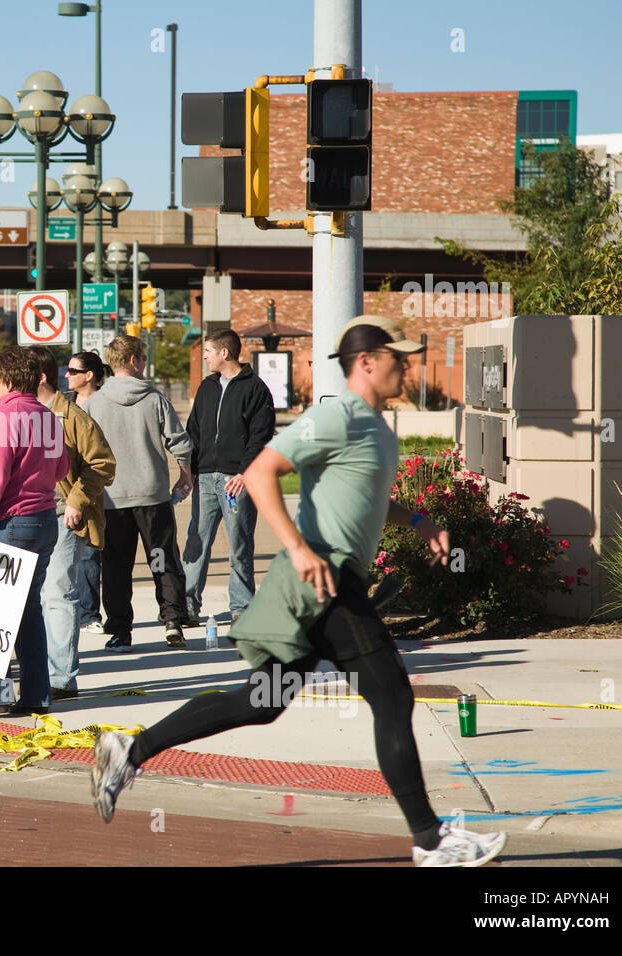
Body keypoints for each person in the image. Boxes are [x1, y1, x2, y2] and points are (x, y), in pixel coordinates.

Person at [90, 316, 507, 867]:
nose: (405, 365)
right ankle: (430, 841)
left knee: (260, 703)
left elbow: (364, 497)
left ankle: (129, 750)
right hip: (326, 580)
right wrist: (299, 547)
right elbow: (263, 472)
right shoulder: (338, 415)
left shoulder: (378, 427)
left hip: (329, 583)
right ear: (365, 362)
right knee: (391, 695)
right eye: (396, 357)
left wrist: (420, 521)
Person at [0, 347, 71, 717]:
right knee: (29, 610)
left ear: (4, 380)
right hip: (44, 519)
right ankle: (36, 694)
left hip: (11, 521)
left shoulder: (1, 418)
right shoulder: (50, 418)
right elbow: (62, 469)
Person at [82, 335, 194, 651]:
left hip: (111, 498)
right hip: (152, 497)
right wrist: (185, 475)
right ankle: (173, 622)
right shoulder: (155, 400)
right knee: (162, 559)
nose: (144, 363)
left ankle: (120, 630)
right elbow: (181, 442)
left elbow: (80, 451)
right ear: (133, 361)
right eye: (143, 358)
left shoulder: (94, 403)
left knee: (116, 566)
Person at [27, 346, 115, 700]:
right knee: (32, 597)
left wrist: (76, 502)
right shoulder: (21, 413)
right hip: (27, 515)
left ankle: (61, 677)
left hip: (63, 515)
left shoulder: (73, 417)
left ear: (40, 377)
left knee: (57, 594)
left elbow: (102, 464)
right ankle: (37, 670)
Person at [183, 329, 276, 626]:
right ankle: (187, 604)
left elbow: (261, 436)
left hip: (237, 481)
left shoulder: (255, 389)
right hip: (207, 479)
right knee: (196, 542)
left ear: (225, 353)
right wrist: (190, 471)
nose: (204, 356)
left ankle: (242, 607)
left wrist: (244, 473)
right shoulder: (207, 387)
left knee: (239, 543)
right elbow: (193, 432)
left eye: (208, 351)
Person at [65, 350, 110, 636]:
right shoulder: (62, 405)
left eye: (72, 371)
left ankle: (91, 614)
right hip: (72, 492)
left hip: (103, 487)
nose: (67, 375)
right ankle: (83, 612)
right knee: (78, 557)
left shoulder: (107, 403)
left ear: (89, 375)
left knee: (94, 554)